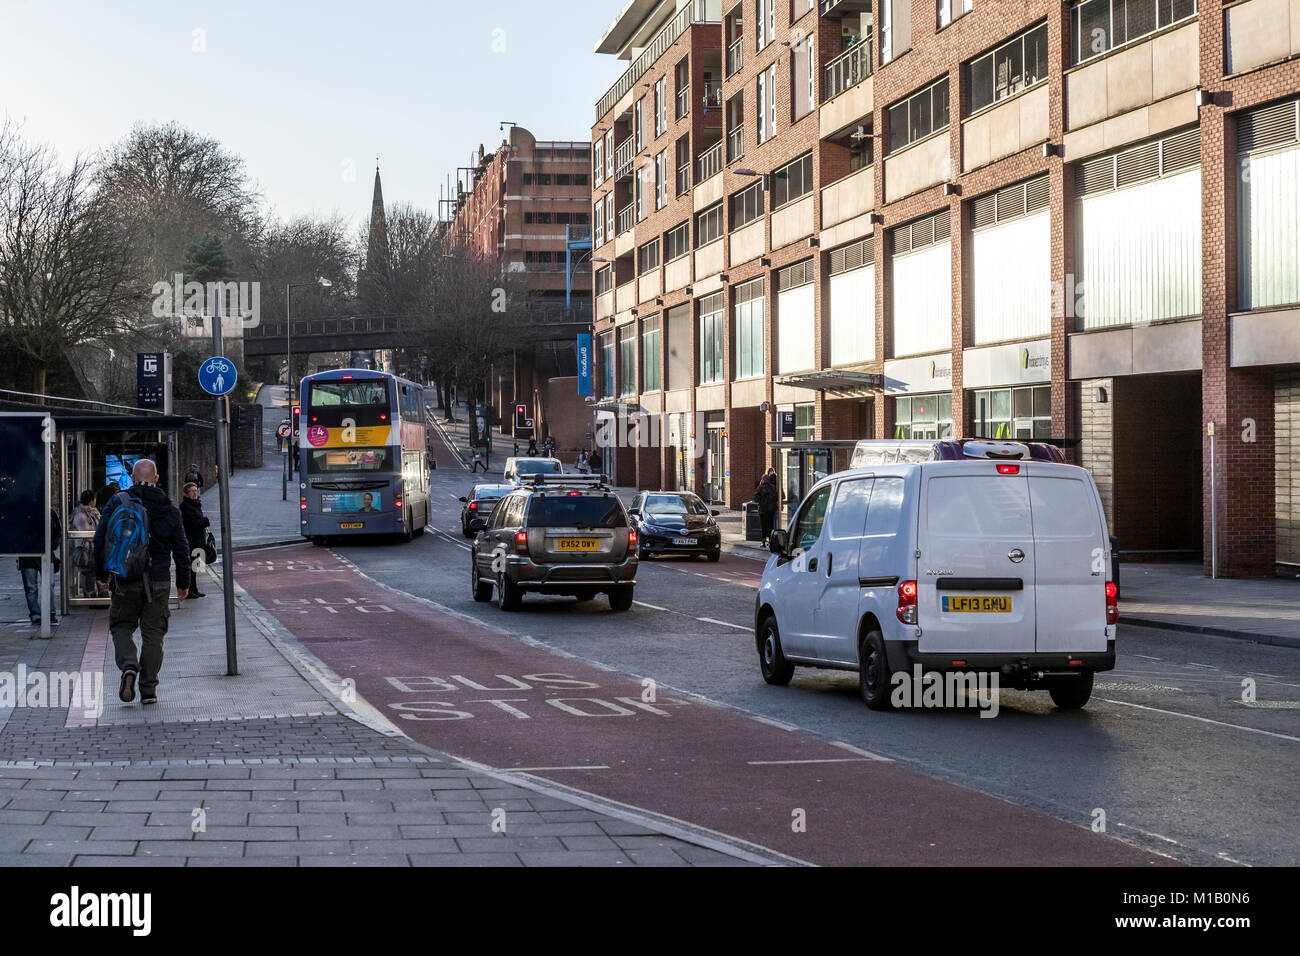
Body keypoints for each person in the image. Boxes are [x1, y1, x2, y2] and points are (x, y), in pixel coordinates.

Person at [94, 459, 191, 706]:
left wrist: (101, 573)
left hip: (125, 577)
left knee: (121, 625)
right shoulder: (169, 508)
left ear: (132, 478)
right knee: (153, 634)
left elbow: (101, 538)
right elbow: (181, 548)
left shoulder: (119, 501)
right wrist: (183, 580)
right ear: (156, 478)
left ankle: (128, 666)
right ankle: (148, 690)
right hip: (158, 579)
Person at [17, 510, 61, 626]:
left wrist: (51, 545)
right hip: (29, 554)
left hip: (41, 553)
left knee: (46, 585)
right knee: (32, 587)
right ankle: (38, 614)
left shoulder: (49, 512)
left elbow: (58, 532)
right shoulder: (46, 512)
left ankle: (47, 613)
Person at [180, 482, 210, 598]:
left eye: (196, 490)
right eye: (192, 491)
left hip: (199, 539)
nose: (194, 493)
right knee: (191, 567)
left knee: (196, 567)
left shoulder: (196, 504)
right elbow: (191, 523)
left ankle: (194, 589)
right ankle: (189, 591)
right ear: (187, 494)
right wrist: (205, 521)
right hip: (191, 540)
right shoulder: (185, 506)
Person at [71, 489, 102, 598]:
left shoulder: (91, 512)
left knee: (92, 572)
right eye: (94, 499)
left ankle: (92, 594)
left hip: (93, 548)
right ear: (91, 500)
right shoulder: (81, 515)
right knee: (88, 573)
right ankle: (89, 595)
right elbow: (86, 532)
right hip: (87, 549)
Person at [755, 467, 780, 546]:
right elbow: (777, 496)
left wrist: (761, 500)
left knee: (763, 526)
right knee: (770, 525)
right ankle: (770, 540)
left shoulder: (760, 488)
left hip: (763, 510)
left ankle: (763, 541)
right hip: (771, 510)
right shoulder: (772, 488)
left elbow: (756, 498)